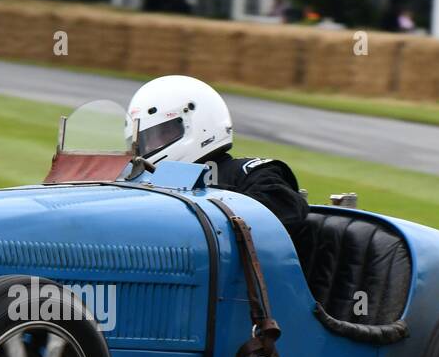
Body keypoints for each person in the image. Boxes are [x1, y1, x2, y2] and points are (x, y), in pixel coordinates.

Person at [125, 75, 309, 238]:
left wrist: (206, 199)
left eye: (161, 134)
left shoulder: (249, 173)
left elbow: (287, 210)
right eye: (145, 141)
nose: (149, 147)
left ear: (198, 124)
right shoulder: (143, 181)